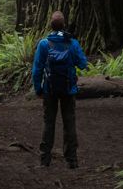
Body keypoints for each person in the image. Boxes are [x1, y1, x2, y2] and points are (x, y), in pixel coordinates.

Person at [31, 11, 86, 169]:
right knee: (69, 122)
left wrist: (38, 89)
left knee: (49, 123)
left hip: (50, 89)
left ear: (50, 26)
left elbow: (37, 70)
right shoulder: (72, 43)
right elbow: (82, 63)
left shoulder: (44, 44)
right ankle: (72, 160)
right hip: (69, 90)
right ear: (64, 25)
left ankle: (45, 159)